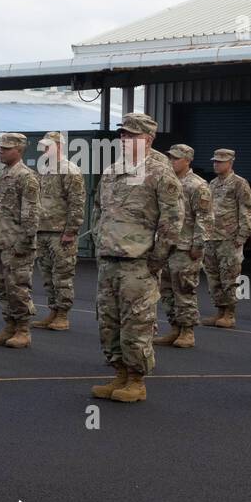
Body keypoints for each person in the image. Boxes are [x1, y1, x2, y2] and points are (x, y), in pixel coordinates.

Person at [90, 113, 181, 403]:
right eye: (123, 135)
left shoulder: (160, 171)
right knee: (108, 321)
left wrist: (157, 258)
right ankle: (119, 373)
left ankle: (136, 380)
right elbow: (98, 209)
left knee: (137, 323)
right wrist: (98, 242)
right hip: (109, 259)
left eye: (132, 135)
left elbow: (173, 219)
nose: (125, 139)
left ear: (149, 139)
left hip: (138, 262)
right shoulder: (114, 168)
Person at [0, 133, 39, 349]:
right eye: (1, 148)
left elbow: (31, 213)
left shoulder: (26, 177)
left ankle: (23, 329)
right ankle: (9, 325)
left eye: (6, 149)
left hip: (16, 242)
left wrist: (25, 241)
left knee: (18, 287)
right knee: (0, 286)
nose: (1, 151)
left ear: (18, 150)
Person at [153, 145, 211, 349]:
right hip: (165, 244)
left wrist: (199, 245)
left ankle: (188, 331)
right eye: (170, 157)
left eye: (176, 158)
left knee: (184, 288)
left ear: (188, 160)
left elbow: (204, 218)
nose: (172, 161)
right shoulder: (167, 181)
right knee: (166, 289)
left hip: (186, 246)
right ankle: (175, 328)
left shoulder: (197, 185)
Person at [30, 131, 84, 331]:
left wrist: (71, 230)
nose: (44, 149)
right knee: (46, 275)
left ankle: (62, 314)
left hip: (61, 231)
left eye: (48, 146)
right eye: (43, 146)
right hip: (42, 230)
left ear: (59, 146)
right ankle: (52, 310)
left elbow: (77, 202)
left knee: (62, 275)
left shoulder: (70, 170)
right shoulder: (43, 169)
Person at [200, 148, 251, 328]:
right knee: (213, 276)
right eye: (215, 161)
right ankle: (219, 312)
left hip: (229, 238)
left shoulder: (240, 183)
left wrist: (242, 236)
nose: (216, 164)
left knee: (229, 276)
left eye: (220, 161)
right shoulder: (213, 184)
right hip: (211, 237)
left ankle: (230, 314)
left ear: (230, 163)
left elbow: (246, 210)